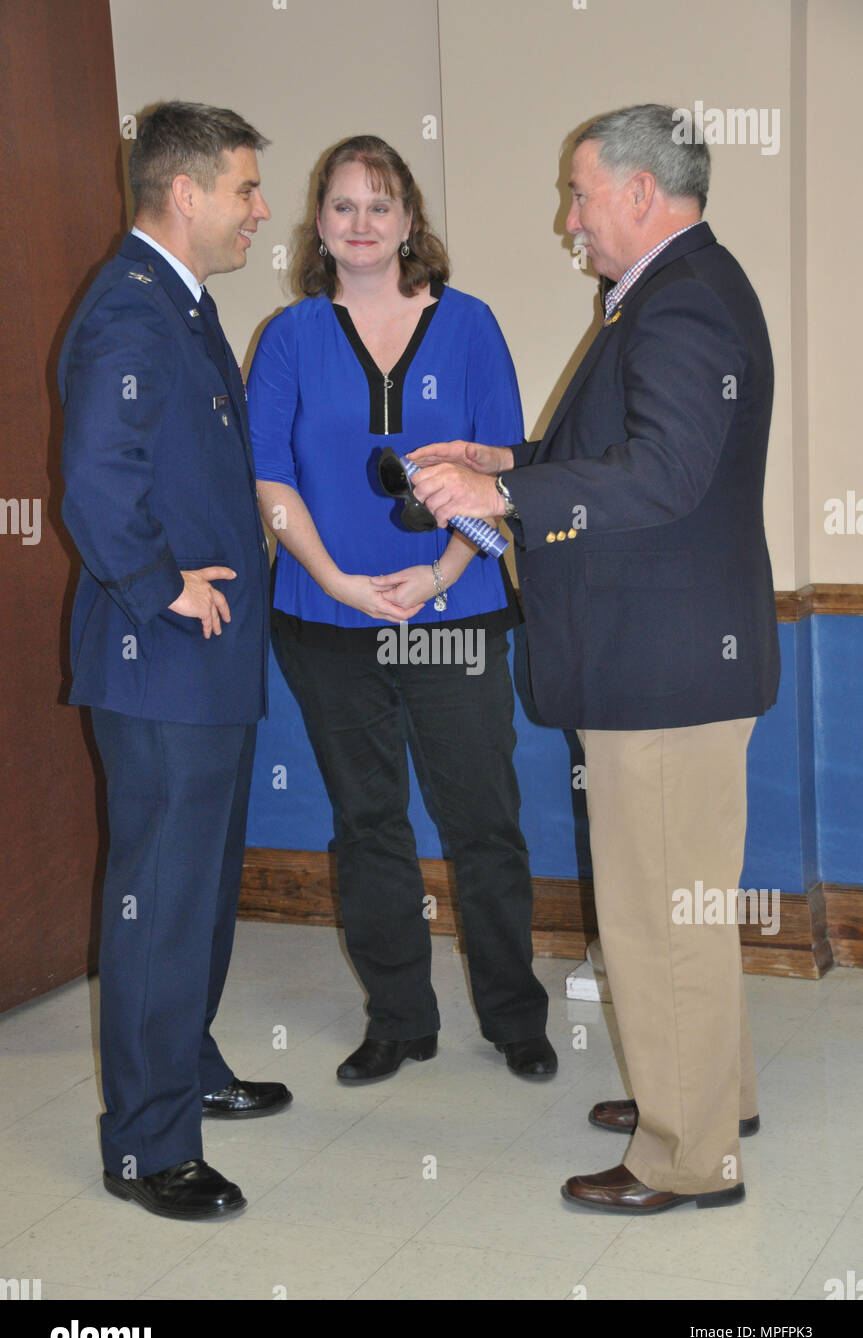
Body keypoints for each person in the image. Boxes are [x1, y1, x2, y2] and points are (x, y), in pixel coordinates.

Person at [410, 104, 780, 1212]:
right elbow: (626, 459)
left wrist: (504, 494)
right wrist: (505, 457)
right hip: (665, 663)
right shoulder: (675, 294)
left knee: (659, 918)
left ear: (636, 192)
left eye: (577, 193)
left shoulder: (681, 306)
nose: (565, 218)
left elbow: (662, 476)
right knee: (681, 912)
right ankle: (712, 1094)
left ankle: (686, 1154)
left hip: (659, 672)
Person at [247, 135, 554, 1083]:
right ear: (320, 226)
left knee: (483, 821)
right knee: (368, 823)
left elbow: (500, 470)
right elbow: (267, 475)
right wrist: (338, 581)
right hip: (325, 618)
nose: (362, 223)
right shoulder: (291, 335)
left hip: (454, 620)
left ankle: (513, 1018)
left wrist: (444, 575)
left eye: (380, 206)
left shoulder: (469, 325)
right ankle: (399, 1019)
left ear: (410, 221)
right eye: (343, 207)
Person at [59, 101, 290, 1222]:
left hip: (205, 666)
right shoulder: (132, 314)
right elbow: (97, 486)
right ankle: (149, 1146)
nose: (259, 212)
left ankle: (183, 1063)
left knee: (194, 896)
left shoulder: (180, 307)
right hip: (161, 660)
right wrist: (160, 585)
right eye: (245, 189)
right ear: (185, 192)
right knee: (157, 899)